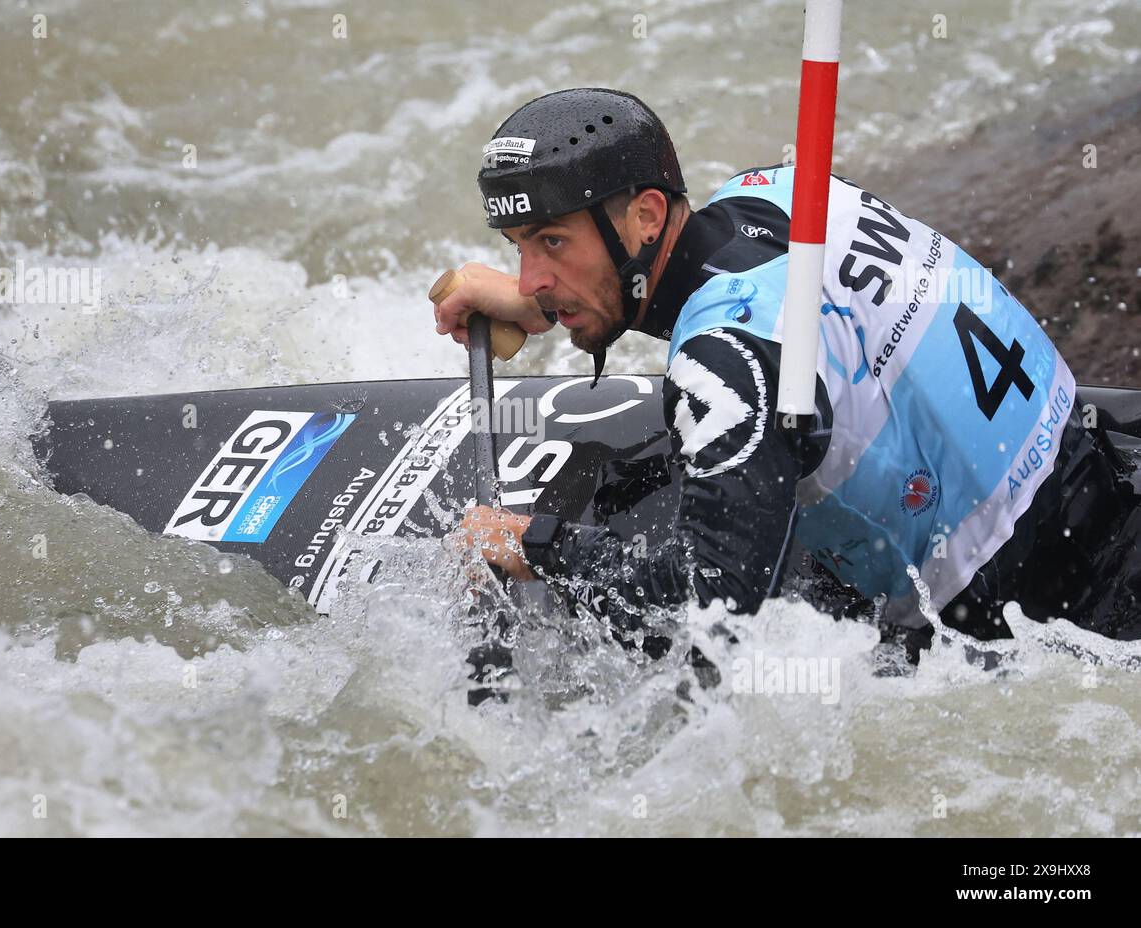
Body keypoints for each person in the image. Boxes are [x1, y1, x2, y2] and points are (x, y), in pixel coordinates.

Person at [434, 88, 1141, 672]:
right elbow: (745, 298)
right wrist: (552, 301)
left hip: (1062, 620)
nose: (532, 275)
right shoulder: (775, 193)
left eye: (552, 242)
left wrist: (539, 546)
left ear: (646, 215)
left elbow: (717, 608)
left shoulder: (725, 368)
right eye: (521, 251)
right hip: (1103, 477)